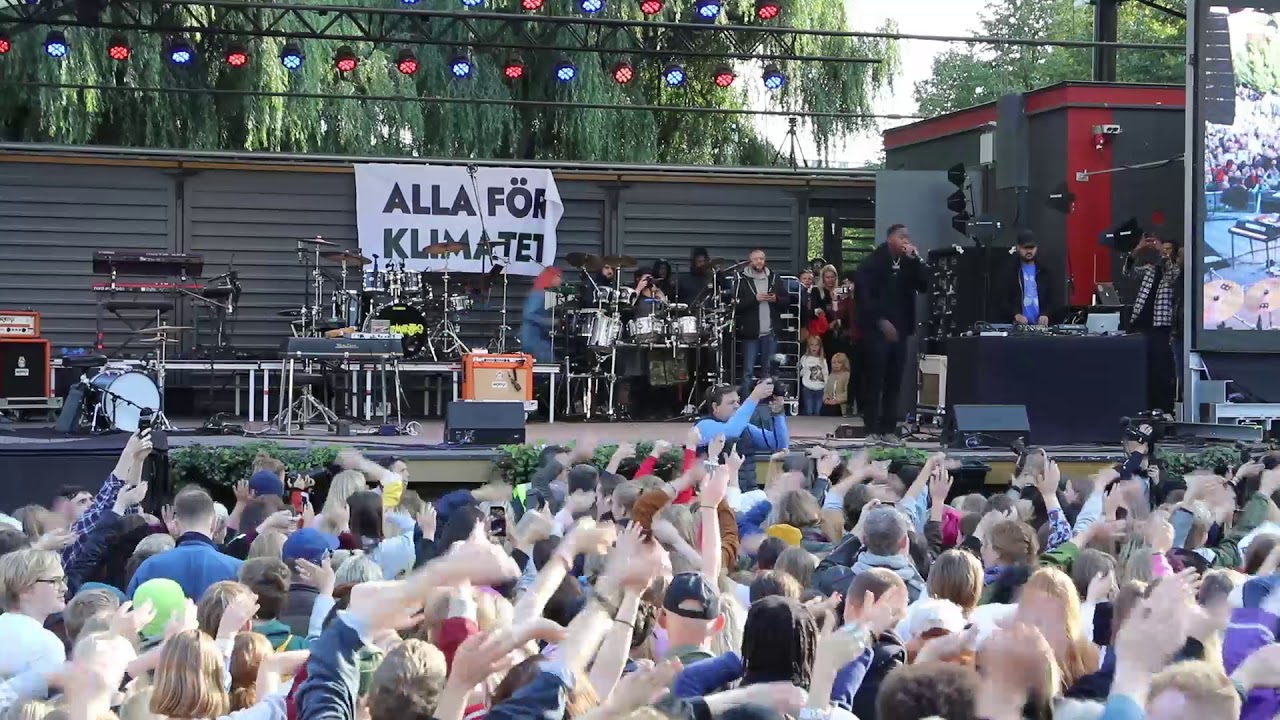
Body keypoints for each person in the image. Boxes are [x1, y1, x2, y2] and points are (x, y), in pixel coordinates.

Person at [856, 224, 929, 445]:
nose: (906, 240)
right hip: (877, 331)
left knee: (894, 381)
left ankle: (889, 428)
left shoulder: (908, 263)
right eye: (902, 237)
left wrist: (917, 260)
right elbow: (864, 297)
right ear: (890, 239)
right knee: (874, 380)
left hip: (900, 331)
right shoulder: (872, 263)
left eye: (908, 236)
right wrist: (880, 321)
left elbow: (924, 284)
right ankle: (871, 428)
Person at [127, 486, 242, 599]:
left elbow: (132, 612)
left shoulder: (149, 567)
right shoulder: (238, 570)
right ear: (213, 525)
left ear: (176, 525)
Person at [694, 381, 789, 491]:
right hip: (720, 495)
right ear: (715, 407)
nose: (737, 406)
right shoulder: (702, 426)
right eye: (731, 403)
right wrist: (755, 396)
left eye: (738, 402)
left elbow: (779, 444)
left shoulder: (744, 427)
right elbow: (730, 432)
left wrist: (778, 413)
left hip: (749, 492)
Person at [1130, 236, 1183, 414]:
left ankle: (1162, 409)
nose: (1164, 252)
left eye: (1169, 250)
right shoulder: (1151, 270)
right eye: (1163, 249)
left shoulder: (1175, 270)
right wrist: (1136, 251)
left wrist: (1163, 254)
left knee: (1160, 370)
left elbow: (1171, 277)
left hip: (1161, 327)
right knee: (1140, 369)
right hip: (1140, 324)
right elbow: (1130, 272)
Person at [734, 248, 788, 398]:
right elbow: (736, 306)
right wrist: (754, 299)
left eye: (762, 259)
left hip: (770, 332)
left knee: (768, 371)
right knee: (748, 371)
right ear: (750, 261)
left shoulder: (774, 278)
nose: (759, 262)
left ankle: (765, 403)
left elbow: (787, 301)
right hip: (750, 333)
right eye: (756, 259)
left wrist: (776, 299)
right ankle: (745, 403)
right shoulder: (742, 279)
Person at [999, 229, 1057, 326]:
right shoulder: (1010, 271)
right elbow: (1002, 299)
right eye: (1025, 248)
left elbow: (1053, 299)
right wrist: (1015, 314)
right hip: (1018, 327)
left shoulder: (1045, 271)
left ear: (1036, 248)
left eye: (1032, 248)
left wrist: (1045, 314)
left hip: (1040, 327)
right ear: (1018, 248)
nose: (1029, 251)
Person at [519, 266, 562, 365]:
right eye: (558, 276)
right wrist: (551, 322)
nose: (560, 280)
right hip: (532, 338)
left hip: (537, 337)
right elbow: (528, 314)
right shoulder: (538, 294)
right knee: (549, 363)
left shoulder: (543, 293)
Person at [799, 336, 829, 416]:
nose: (814, 347)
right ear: (808, 347)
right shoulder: (804, 358)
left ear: (820, 347)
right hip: (808, 389)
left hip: (820, 389)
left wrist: (827, 388)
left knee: (817, 411)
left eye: (816, 345)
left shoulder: (823, 360)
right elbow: (800, 372)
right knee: (808, 410)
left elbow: (826, 374)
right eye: (812, 345)